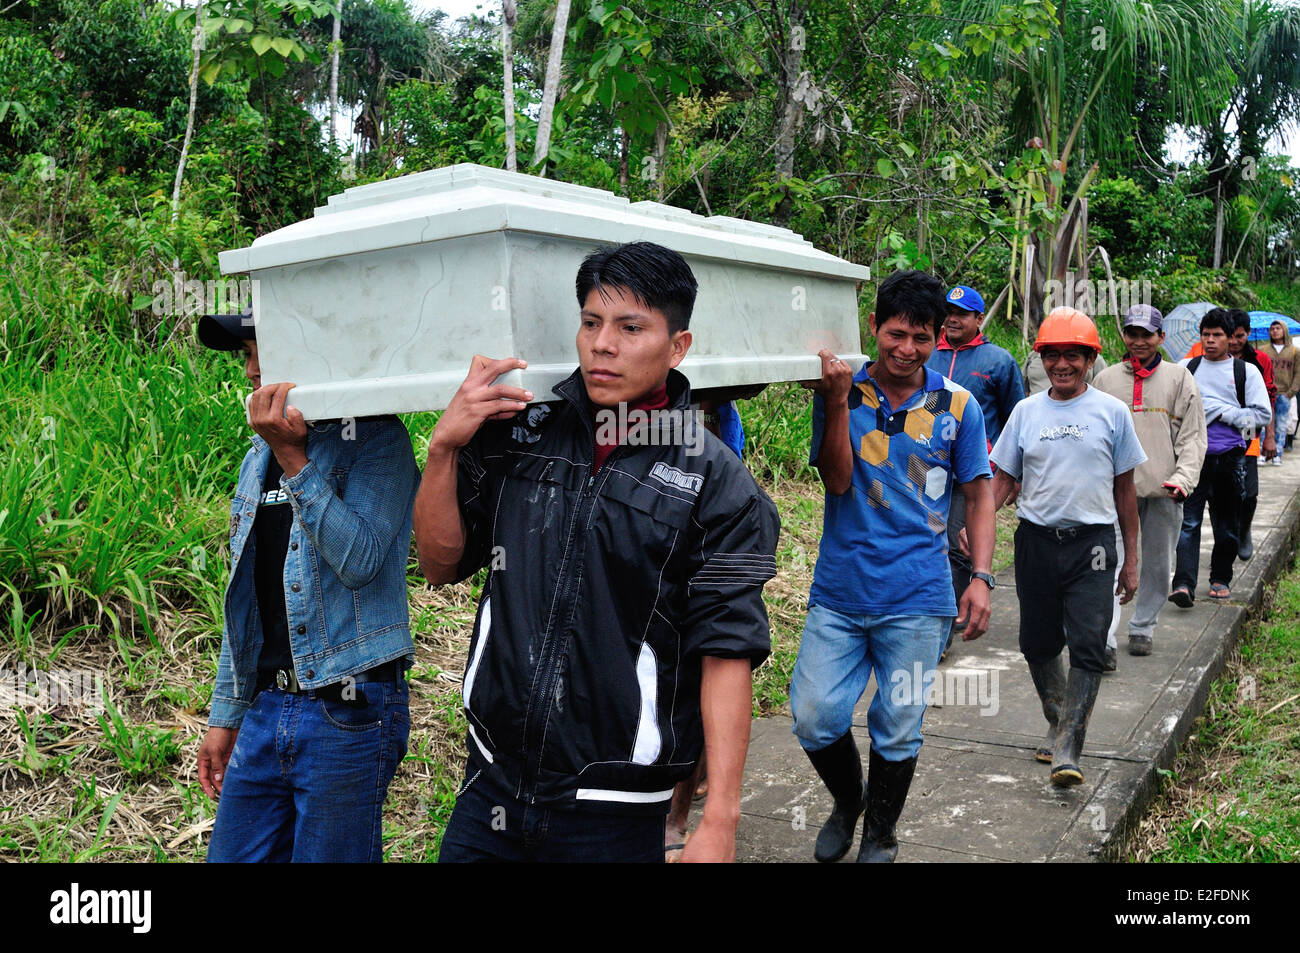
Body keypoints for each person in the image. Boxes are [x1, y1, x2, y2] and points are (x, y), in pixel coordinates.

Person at [414, 241, 779, 863]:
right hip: (490, 786)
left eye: (630, 327)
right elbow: (439, 563)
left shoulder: (717, 484)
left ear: (678, 346)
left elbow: (727, 652)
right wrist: (444, 449)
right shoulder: (521, 432)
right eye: (590, 323)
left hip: (614, 812)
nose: (601, 344)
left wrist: (719, 818)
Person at [195, 310, 418, 863]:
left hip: (346, 706)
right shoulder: (256, 458)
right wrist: (226, 715)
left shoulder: (377, 439)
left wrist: (295, 460)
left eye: (259, 353)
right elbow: (245, 599)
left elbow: (360, 560)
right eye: (245, 354)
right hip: (267, 707)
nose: (249, 370)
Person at [790, 269, 994, 863]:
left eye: (922, 338)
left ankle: (880, 831)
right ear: (874, 326)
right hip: (840, 589)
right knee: (813, 715)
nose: (906, 349)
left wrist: (980, 577)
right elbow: (836, 478)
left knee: (898, 724)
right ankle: (847, 802)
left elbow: (979, 493)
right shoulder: (840, 390)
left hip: (920, 595)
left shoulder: (958, 405)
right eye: (897, 333)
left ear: (938, 340)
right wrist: (833, 406)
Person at [990, 308, 1144, 786]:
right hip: (1036, 541)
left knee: (1089, 643)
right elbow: (1003, 480)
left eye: (1072, 355)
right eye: (1052, 355)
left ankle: (1069, 746)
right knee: (1036, 642)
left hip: (1093, 545)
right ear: (1040, 360)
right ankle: (1059, 722)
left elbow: (1125, 491)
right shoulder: (1025, 412)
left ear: (1090, 359)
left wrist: (1132, 559)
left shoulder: (1112, 413)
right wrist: (979, 527)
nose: (1062, 364)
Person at [1094, 305, 1206, 658]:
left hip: (1163, 490)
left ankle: (1143, 626)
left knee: (1158, 564)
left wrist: (1182, 479)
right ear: (1124, 336)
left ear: (1161, 337)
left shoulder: (1179, 378)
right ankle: (1105, 639)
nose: (1139, 341)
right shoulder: (1105, 380)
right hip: (1111, 492)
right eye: (1132, 334)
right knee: (1107, 563)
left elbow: (1193, 437)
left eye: (1147, 335)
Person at [926, 283, 1024, 658]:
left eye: (962, 314)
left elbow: (1017, 419)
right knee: (924, 545)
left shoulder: (998, 361)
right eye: (948, 313)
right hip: (924, 467)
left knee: (956, 547)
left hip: (971, 474)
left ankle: (943, 634)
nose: (953, 319)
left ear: (979, 319)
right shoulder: (926, 354)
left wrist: (1012, 474)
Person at [1170, 309, 1272, 605]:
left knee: (1226, 525)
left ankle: (1220, 578)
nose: (1211, 341)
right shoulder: (1186, 368)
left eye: (1218, 335)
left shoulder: (1245, 372)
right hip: (1190, 460)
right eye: (1206, 335)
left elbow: (1260, 417)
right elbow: (1174, 410)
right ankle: (1184, 584)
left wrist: (1220, 411)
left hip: (1230, 459)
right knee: (1187, 524)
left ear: (1230, 339)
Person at [1226, 309, 1276, 560]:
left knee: (1250, 489)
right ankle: (1229, 534)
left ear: (1247, 335)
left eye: (1240, 336)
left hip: (1249, 427)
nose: (1234, 342)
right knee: (1223, 489)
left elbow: (1270, 399)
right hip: (1220, 429)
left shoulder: (1261, 361)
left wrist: (1270, 436)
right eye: (1231, 336)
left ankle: (1244, 529)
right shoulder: (1210, 359)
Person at [1264, 319, 1297, 463]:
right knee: (1265, 424)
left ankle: (1277, 454)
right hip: (1266, 393)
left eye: (1278, 328)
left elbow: (1298, 373)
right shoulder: (1264, 350)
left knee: (1281, 425)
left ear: (1284, 330)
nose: (1275, 331)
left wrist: (1291, 392)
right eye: (1272, 329)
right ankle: (1263, 453)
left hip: (1284, 393)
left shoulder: (1294, 351)